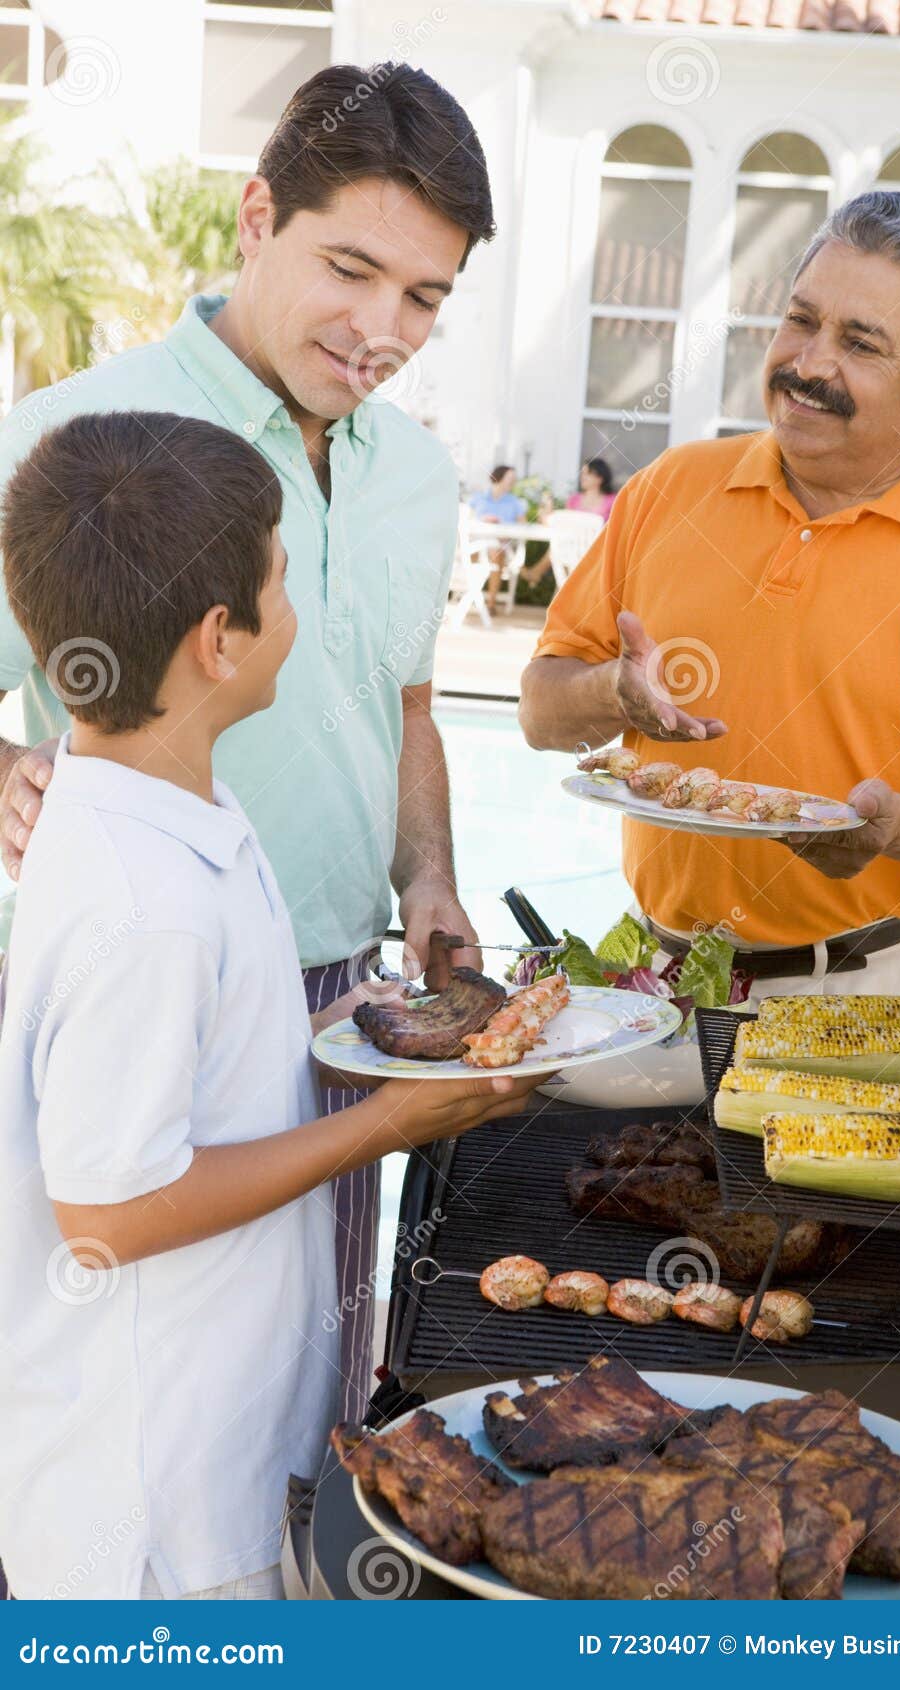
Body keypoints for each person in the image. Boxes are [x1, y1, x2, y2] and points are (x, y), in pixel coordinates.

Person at [0, 62, 495, 1425]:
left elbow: (403, 701)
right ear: (256, 217)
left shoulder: (416, 472)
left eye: (425, 298)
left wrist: (430, 881)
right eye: (351, 268)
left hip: (348, 1005)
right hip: (147, 998)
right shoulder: (71, 442)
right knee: (130, 1405)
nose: (381, 329)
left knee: (304, 1402)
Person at [0, 412, 540, 1601]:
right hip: (153, 1529)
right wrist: (384, 1128)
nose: (296, 603)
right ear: (217, 640)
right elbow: (107, 1209)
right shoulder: (139, 903)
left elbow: (211, 1066)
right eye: (283, 577)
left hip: (217, 1452)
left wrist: (393, 1038)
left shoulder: (168, 800)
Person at [519, 192, 900, 1000]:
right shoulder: (672, 488)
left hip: (877, 992)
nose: (808, 365)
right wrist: (612, 695)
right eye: (800, 320)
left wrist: (897, 833)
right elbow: (538, 714)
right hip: (660, 983)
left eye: (860, 343)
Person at [522, 459, 616, 594]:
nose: (582, 477)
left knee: (558, 547)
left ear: (599, 477)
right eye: (582, 473)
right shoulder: (574, 499)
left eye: (587, 473)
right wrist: (547, 511)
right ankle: (539, 575)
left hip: (597, 552)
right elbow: (561, 525)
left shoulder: (612, 500)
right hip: (570, 548)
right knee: (560, 544)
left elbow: (612, 528)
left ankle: (536, 572)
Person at [469, 464, 526, 613]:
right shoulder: (479, 498)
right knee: (474, 551)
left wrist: (505, 530)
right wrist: (483, 520)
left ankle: (491, 603)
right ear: (499, 477)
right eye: (510, 478)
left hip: (500, 544)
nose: (513, 482)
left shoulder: (514, 502)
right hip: (477, 542)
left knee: (496, 551)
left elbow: (523, 526)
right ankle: (470, 596)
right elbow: (466, 520)